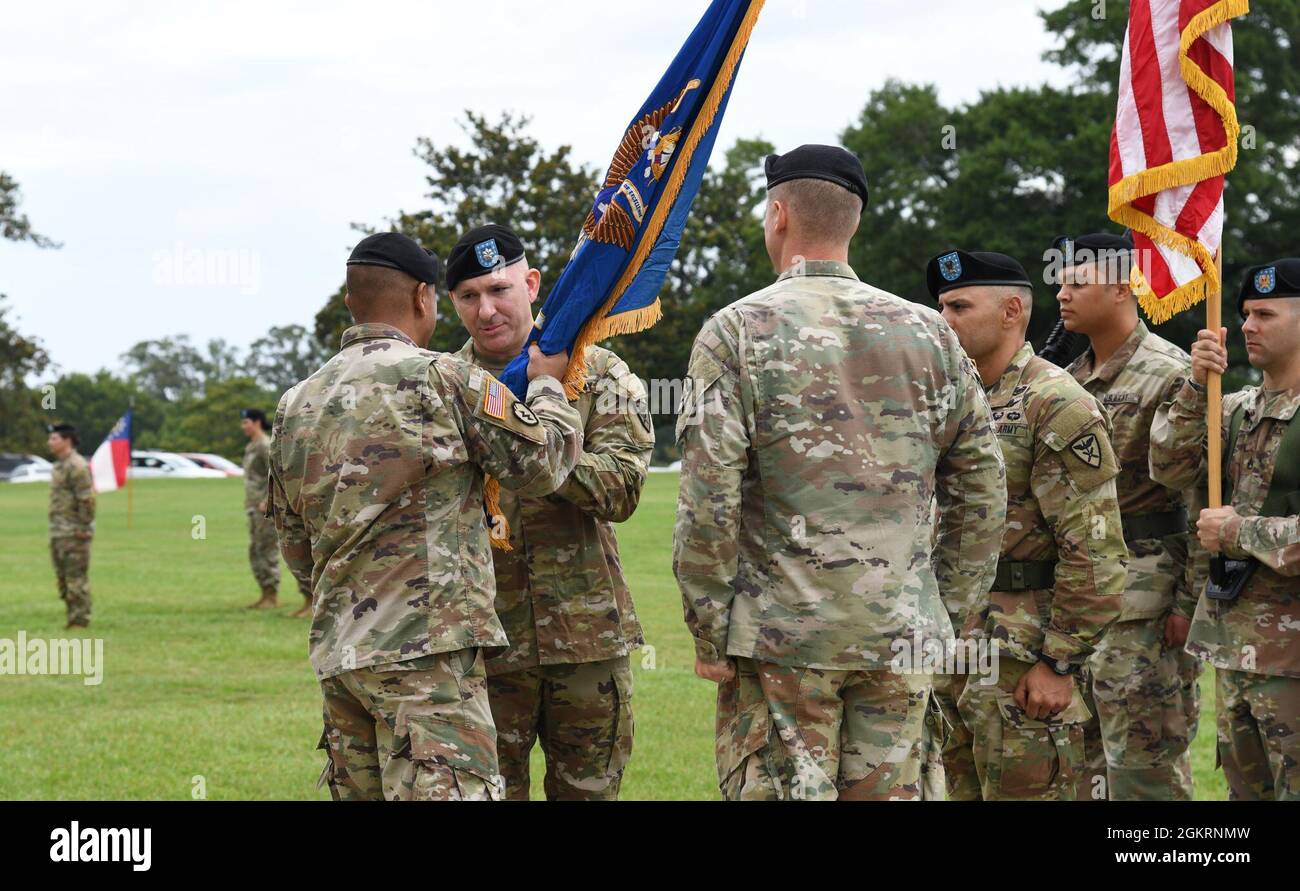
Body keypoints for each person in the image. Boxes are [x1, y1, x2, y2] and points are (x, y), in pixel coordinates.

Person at [675, 145, 1007, 801]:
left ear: (778, 215)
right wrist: (944, 609)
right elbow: (983, 489)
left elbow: (707, 498)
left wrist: (709, 628)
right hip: (899, 632)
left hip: (782, 637)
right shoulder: (931, 332)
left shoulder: (736, 331)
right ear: (852, 222)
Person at [268, 232, 583, 801]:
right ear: (421, 298)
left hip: (342, 662)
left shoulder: (296, 403)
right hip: (428, 664)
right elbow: (544, 462)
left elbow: (292, 538)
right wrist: (546, 383)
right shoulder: (441, 378)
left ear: (351, 302)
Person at [446, 224, 652, 800]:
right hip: (484, 646)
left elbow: (623, 489)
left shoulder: (595, 371)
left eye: (499, 289)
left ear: (532, 284)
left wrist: (539, 445)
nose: (486, 310)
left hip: (585, 639)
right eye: (468, 296)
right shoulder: (442, 386)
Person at [929, 248, 1126, 800]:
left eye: (959, 306)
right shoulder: (948, 403)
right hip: (950, 650)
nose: (944, 322)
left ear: (1012, 310)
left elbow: (1097, 550)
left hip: (1023, 655)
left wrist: (1059, 661)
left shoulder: (1056, 403)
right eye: (940, 306)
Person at [1052, 232, 1203, 801]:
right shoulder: (1066, 375)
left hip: (1147, 601)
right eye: (1061, 281)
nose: (1062, 294)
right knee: (1082, 767)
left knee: (1146, 769)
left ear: (1121, 289)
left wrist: (1189, 603)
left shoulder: (1170, 371)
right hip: (1082, 599)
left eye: (1076, 283)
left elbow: (1199, 497)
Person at [1150, 258, 1300, 800]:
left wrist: (1240, 533)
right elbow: (1167, 466)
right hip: (1237, 649)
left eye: (1265, 314)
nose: (1247, 326)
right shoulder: (1234, 408)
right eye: (1243, 314)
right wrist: (1195, 384)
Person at [241, 408, 312, 616]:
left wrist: (268, 500)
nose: (243, 426)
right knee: (256, 550)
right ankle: (267, 594)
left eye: (246, 422)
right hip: (253, 508)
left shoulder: (264, 445)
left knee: (269, 550)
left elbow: (275, 472)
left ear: (257, 422)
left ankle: (292, 598)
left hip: (266, 508)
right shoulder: (251, 446)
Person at [47, 423, 95, 630]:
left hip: (75, 531)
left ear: (67, 441)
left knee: (76, 577)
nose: (49, 442)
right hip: (59, 530)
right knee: (63, 578)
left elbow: (86, 499)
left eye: (54, 438)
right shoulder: (59, 466)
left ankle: (79, 620)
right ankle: (71, 616)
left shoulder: (77, 466)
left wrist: (84, 527)